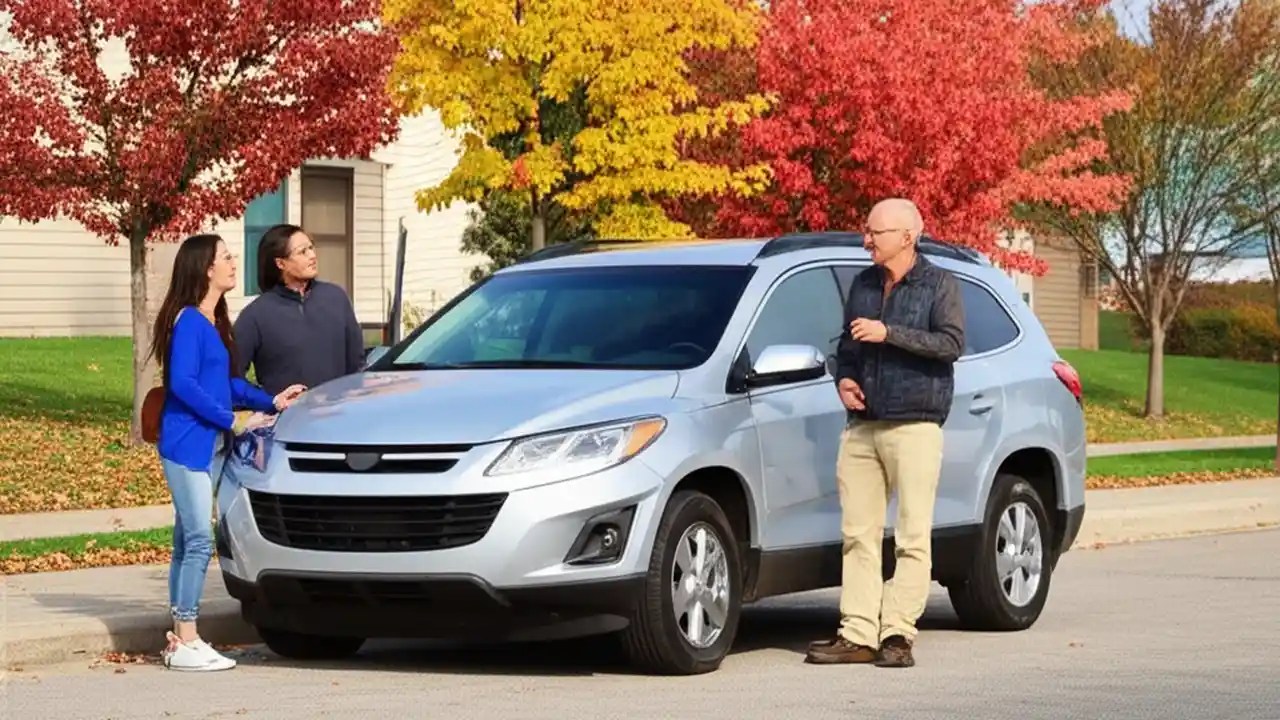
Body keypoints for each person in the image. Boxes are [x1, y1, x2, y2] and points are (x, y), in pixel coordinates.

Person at [804, 198, 965, 669]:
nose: (866, 239)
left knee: (912, 538)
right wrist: (844, 379)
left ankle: (898, 634)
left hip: (915, 424)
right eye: (867, 230)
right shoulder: (864, 284)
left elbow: (951, 344)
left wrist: (888, 332)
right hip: (862, 427)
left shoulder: (940, 284)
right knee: (858, 535)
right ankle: (857, 634)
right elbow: (848, 345)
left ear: (907, 236)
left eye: (875, 232)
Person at [148, 233, 305, 671]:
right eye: (225, 257)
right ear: (205, 269)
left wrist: (271, 400)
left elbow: (228, 384)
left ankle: (183, 638)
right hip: (186, 446)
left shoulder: (212, 321)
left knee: (187, 541)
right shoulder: (188, 322)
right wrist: (231, 420)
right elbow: (183, 385)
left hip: (208, 446)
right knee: (199, 539)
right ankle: (187, 637)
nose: (233, 263)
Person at [233, 223, 364, 396]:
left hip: (339, 414)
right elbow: (232, 377)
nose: (312, 256)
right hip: (288, 419)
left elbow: (357, 365)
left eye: (311, 248)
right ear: (280, 263)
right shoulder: (255, 315)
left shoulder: (336, 298)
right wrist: (265, 403)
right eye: (303, 252)